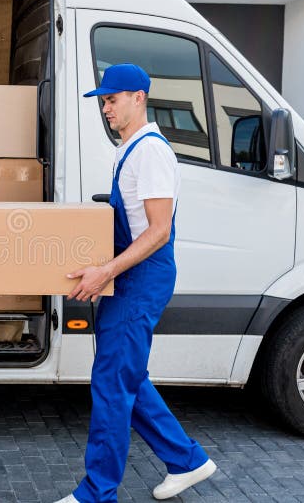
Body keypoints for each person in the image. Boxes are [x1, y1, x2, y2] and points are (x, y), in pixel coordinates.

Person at [55, 64, 216, 503]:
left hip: (141, 278)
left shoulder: (151, 152)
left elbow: (159, 231)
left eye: (113, 99)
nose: (106, 108)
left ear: (139, 97)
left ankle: (97, 492)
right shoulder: (129, 148)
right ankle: (186, 460)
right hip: (129, 275)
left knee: (111, 382)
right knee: (126, 376)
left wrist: (105, 271)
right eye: (103, 101)